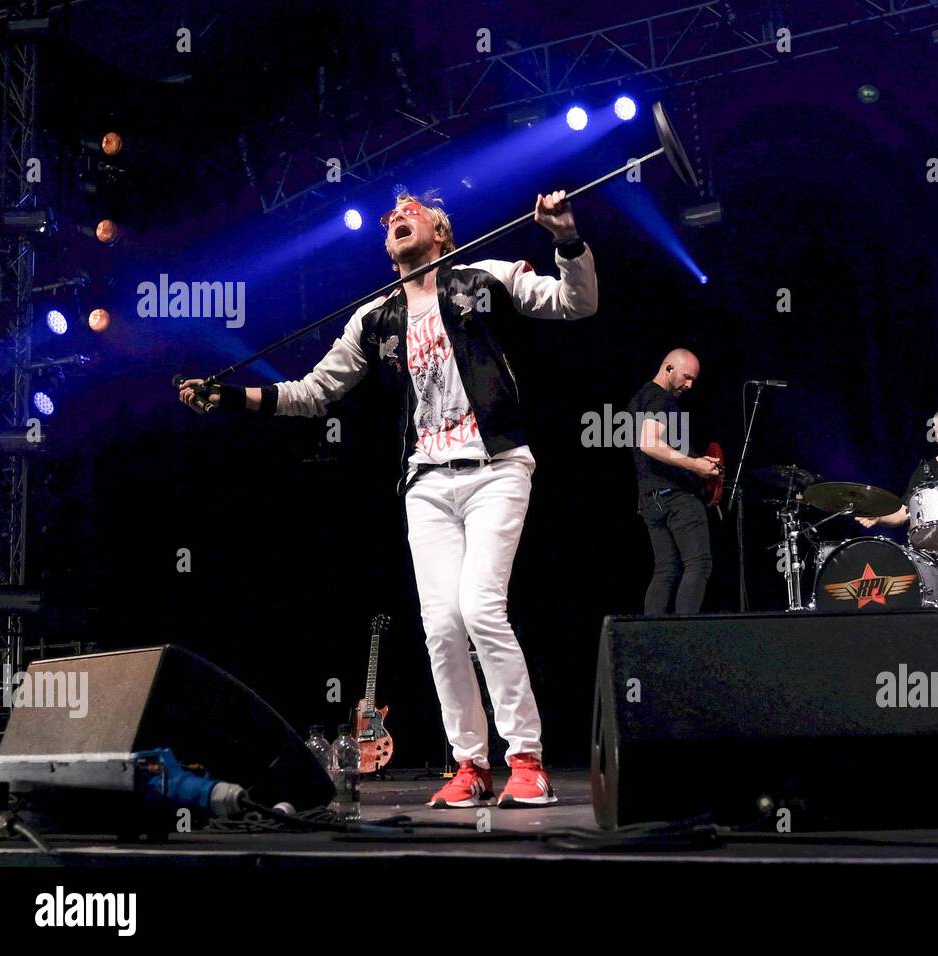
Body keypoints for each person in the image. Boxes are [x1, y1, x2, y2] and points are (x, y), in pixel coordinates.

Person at [179, 188, 597, 808]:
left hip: (496, 467)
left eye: (412, 209)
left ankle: (527, 759)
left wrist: (565, 237)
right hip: (425, 483)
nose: (397, 215)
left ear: (441, 233)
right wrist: (232, 396)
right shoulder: (374, 319)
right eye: (390, 216)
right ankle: (470, 764)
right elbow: (313, 392)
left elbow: (576, 302)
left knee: (481, 609)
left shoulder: (484, 276)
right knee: (441, 626)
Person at [626, 349, 720, 614]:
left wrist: (696, 460)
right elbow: (649, 443)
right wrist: (694, 465)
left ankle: (652, 635)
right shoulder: (660, 399)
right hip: (676, 498)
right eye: (686, 377)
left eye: (693, 380)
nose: (689, 385)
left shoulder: (639, 398)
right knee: (699, 563)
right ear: (668, 368)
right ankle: (684, 633)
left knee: (666, 569)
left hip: (650, 499)